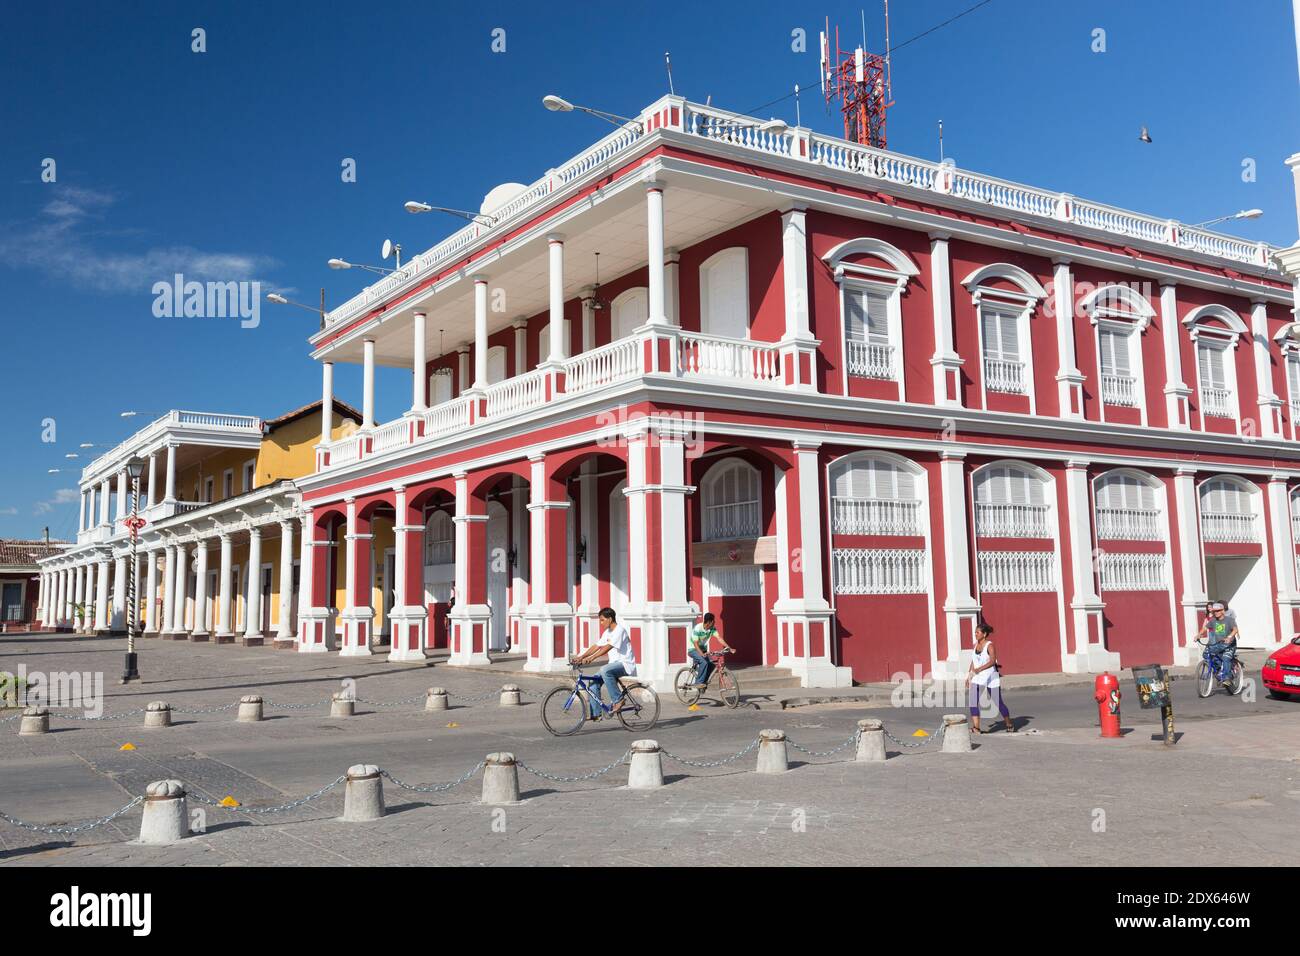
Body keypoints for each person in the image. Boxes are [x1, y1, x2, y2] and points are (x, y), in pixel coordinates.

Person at [570, 607, 637, 717]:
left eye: (602, 620)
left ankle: (618, 700)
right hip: (613, 665)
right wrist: (581, 657)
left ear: (610, 619)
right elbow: (597, 646)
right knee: (593, 682)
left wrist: (591, 658)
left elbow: (607, 647)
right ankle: (596, 714)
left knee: (605, 670)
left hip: (625, 664)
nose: (601, 623)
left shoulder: (620, 630)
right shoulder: (607, 632)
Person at [967, 623, 1014, 734]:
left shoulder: (990, 645)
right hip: (978, 677)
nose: (975, 634)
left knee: (998, 702)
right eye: (975, 632)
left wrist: (980, 669)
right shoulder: (976, 645)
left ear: (984, 634)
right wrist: (969, 676)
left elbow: (992, 661)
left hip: (990, 677)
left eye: (977, 632)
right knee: (973, 702)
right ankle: (976, 728)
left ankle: (1009, 723)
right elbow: (973, 661)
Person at [688, 612, 735, 688]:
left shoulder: (712, 629)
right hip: (693, 649)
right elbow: (695, 644)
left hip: (703, 650)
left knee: (711, 665)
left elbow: (719, 638)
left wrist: (729, 648)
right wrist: (702, 654)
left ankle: (703, 682)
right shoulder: (698, 628)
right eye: (713, 621)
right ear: (709, 622)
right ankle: (698, 682)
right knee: (704, 662)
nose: (715, 623)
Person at [1205, 602, 1239, 681]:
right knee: (1208, 655)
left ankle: (1227, 678)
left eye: (1218, 611)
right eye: (1214, 611)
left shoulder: (1229, 620)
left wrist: (1229, 637)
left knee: (1225, 658)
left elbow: (1235, 629)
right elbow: (1205, 628)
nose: (1215, 613)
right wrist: (1198, 635)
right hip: (1219, 644)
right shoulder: (1213, 620)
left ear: (1222, 611)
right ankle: (1219, 670)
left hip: (1230, 645)